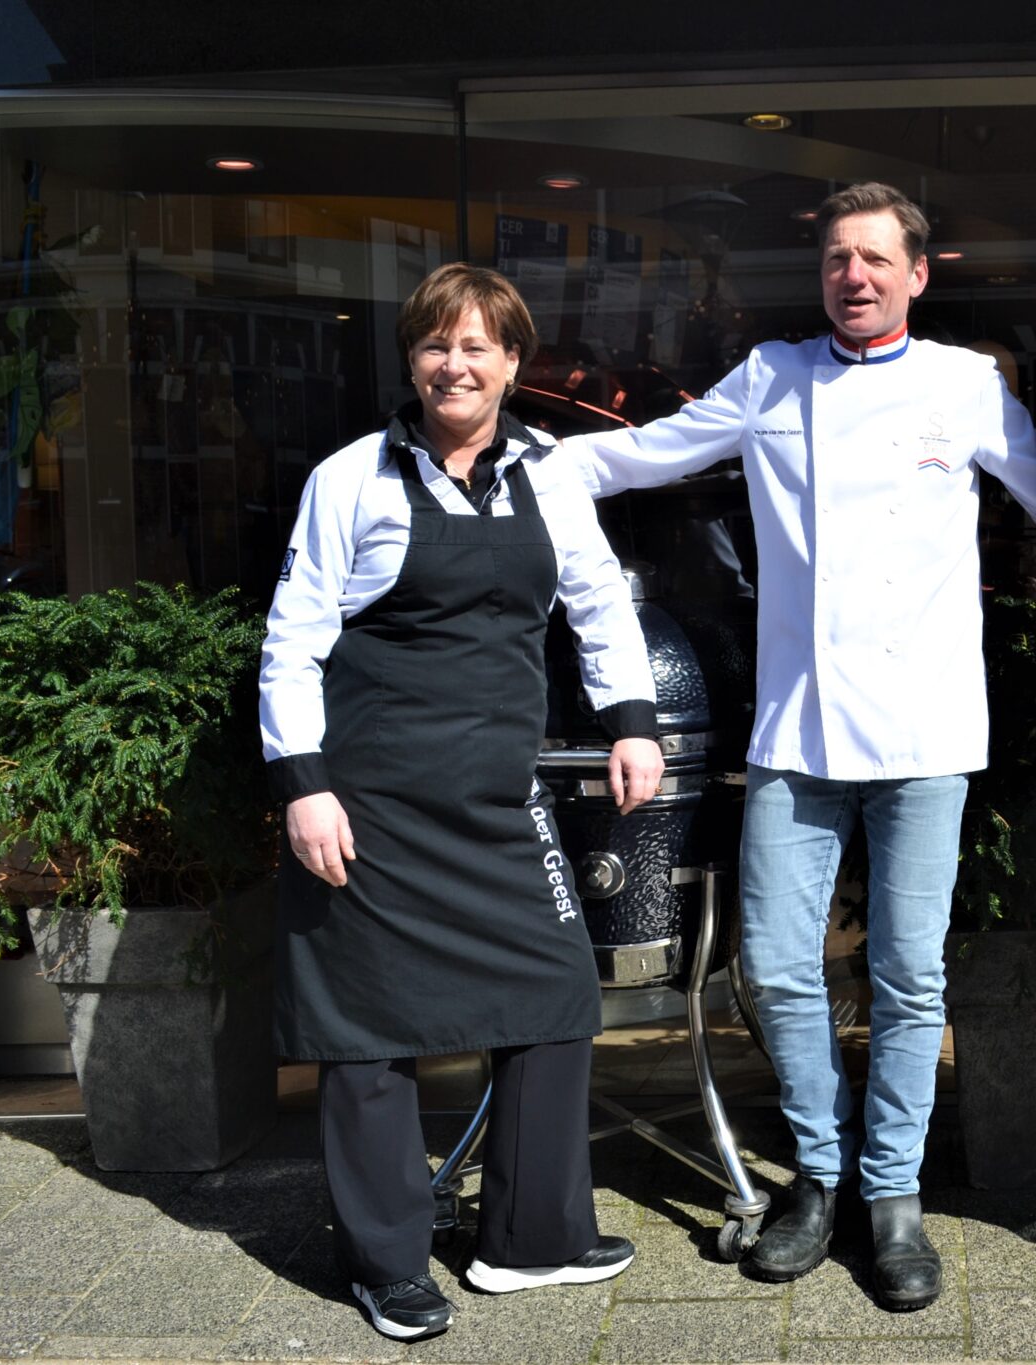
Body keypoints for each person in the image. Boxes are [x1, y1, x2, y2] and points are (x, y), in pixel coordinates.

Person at [560, 182, 1036, 1312]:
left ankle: (892, 1198)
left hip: (929, 726)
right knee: (775, 966)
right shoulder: (769, 376)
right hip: (799, 725)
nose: (856, 276)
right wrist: (519, 461)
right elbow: (639, 457)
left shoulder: (964, 385)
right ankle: (820, 1175)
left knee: (908, 971)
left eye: (877, 259)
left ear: (916, 275)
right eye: (838, 258)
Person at [259, 263, 663, 1342]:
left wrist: (632, 720)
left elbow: (595, 600)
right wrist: (303, 788)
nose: (457, 364)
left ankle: (531, 1241)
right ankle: (387, 1264)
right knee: (368, 1032)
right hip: (370, 798)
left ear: (513, 364)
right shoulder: (353, 478)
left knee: (554, 992)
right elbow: (292, 644)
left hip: (496, 795)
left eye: (480, 346)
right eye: (439, 345)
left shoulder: (547, 472)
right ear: (413, 360)